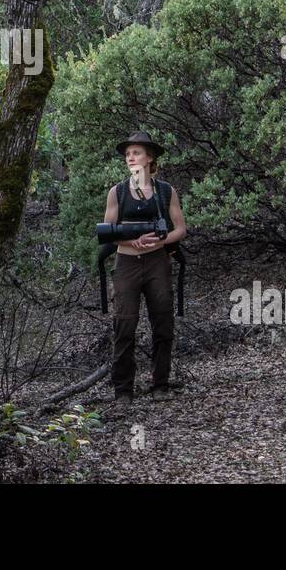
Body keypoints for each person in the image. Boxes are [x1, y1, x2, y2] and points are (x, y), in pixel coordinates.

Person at [104, 131, 187, 407]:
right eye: (128, 154)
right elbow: (108, 232)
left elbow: (181, 229)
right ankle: (123, 391)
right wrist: (132, 240)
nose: (131, 157)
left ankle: (160, 384)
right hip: (126, 262)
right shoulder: (116, 192)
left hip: (157, 262)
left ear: (150, 157)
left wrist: (159, 240)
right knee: (124, 324)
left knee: (163, 322)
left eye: (136, 152)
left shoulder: (166, 191)